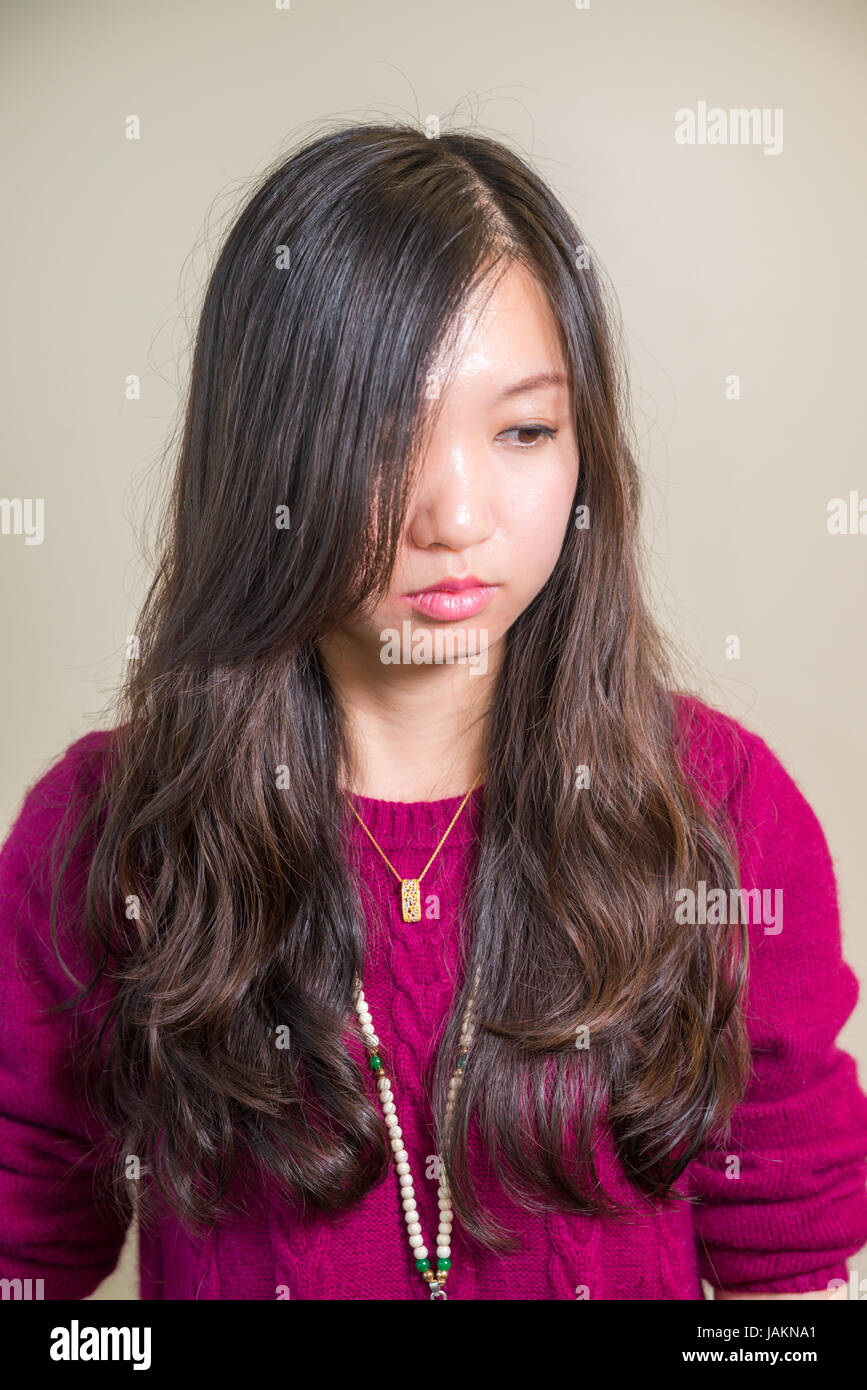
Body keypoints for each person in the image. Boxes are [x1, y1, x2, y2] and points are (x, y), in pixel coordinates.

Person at [1, 123, 866, 1302]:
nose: (458, 514)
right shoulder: (104, 833)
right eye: (387, 431)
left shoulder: (722, 811)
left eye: (522, 430)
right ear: (269, 458)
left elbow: (786, 1290)